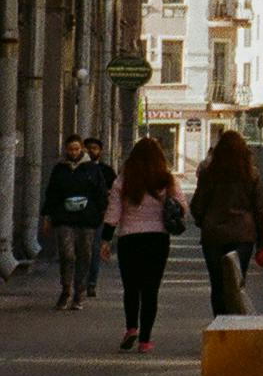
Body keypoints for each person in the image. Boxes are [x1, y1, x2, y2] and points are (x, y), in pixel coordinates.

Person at [102, 137, 183, 350]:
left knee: (131, 287)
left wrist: (105, 239)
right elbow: (182, 206)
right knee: (151, 289)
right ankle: (145, 341)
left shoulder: (124, 179)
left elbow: (113, 212)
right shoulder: (166, 179)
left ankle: (131, 328)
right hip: (157, 239)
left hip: (129, 238)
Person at [190, 130, 263, 317]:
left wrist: (205, 222)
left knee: (217, 284)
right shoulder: (251, 175)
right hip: (242, 236)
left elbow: (197, 205)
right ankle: (235, 326)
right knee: (236, 284)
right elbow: (260, 209)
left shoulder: (208, 173)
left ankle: (220, 329)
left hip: (214, 236)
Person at [40, 135, 110, 309]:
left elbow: (101, 193)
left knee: (84, 255)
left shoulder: (92, 169)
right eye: (70, 149)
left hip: (86, 220)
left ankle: (79, 293)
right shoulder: (60, 169)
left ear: (82, 150)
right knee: (67, 254)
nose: (73, 152)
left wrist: (101, 214)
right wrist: (47, 216)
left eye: (77, 149)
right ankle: (66, 289)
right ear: (66, 149)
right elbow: (52, 194)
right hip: (65, 218)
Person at [81, 135, 109, 297]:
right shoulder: (74, 169)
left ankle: (91, 283)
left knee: (93, 249)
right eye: (88, 148)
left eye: (95, 148)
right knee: (78, 250)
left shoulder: (106, 171)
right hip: (77, 217)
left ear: (101, 151)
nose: (91, 151)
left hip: (97, 216)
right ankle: (77, 283)